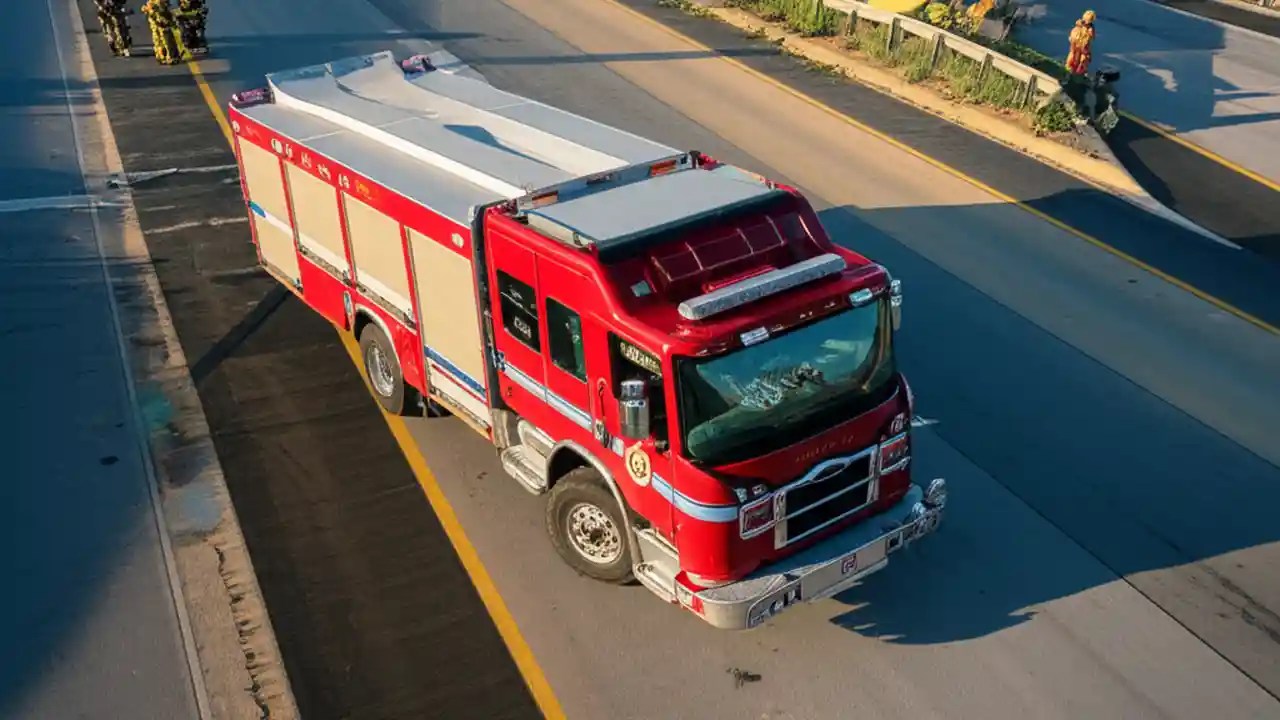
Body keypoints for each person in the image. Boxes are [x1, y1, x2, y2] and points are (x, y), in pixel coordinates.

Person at [142, 0, 181, 65]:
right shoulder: (153, 3)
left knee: (162, 39)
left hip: (159, 20)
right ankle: (165, 56)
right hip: (158, 22)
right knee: (161, 39)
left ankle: (167, 56)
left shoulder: (156, 4)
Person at [1066, 9, 1096, 77]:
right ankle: (1069, 67)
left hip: (1083, 43)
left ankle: (1079, 70)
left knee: (1083, 57)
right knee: (1074, 54)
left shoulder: (1090, 27)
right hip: (1077, 41)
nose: (1087, 21)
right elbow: (1076, 28)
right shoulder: (1081, 23)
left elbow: (1092, 36)